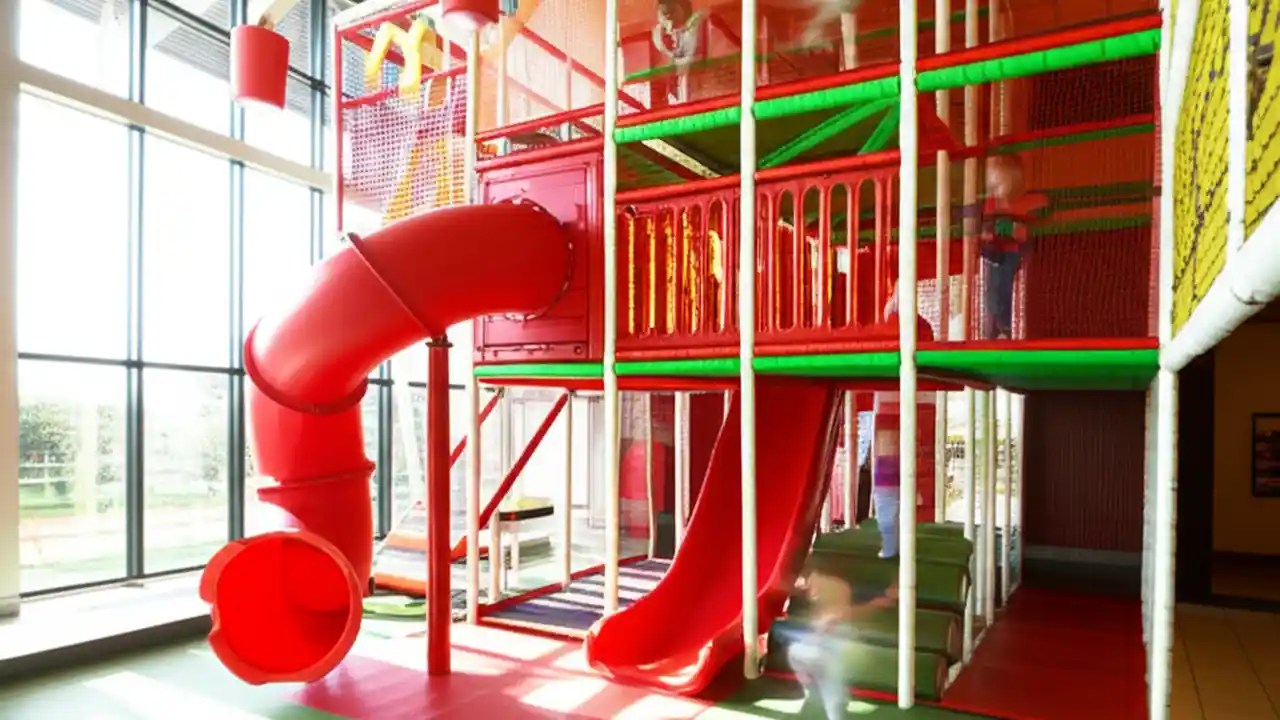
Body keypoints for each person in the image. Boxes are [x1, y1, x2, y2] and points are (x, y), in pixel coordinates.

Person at [787, 554, 897, 719]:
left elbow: (840, 616)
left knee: (828, 665)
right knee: (802, 654)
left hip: (840, 640)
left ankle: (833, 707)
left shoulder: (837, 589)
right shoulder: (820, 591)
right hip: (824, 641)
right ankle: (824, 698)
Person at [977, 154, 1049, 340]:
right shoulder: (991, 202)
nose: (994, 191)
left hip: (1012, 252)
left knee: (1003, 284)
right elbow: (986, 228)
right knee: (994, 286)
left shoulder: (1022, 202)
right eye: (992, 186)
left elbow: (1042, 205)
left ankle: (1004, 327)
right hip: (994, 252)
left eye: (998, 186)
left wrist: (1018, 229)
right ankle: (995, 326)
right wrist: (988, 235)